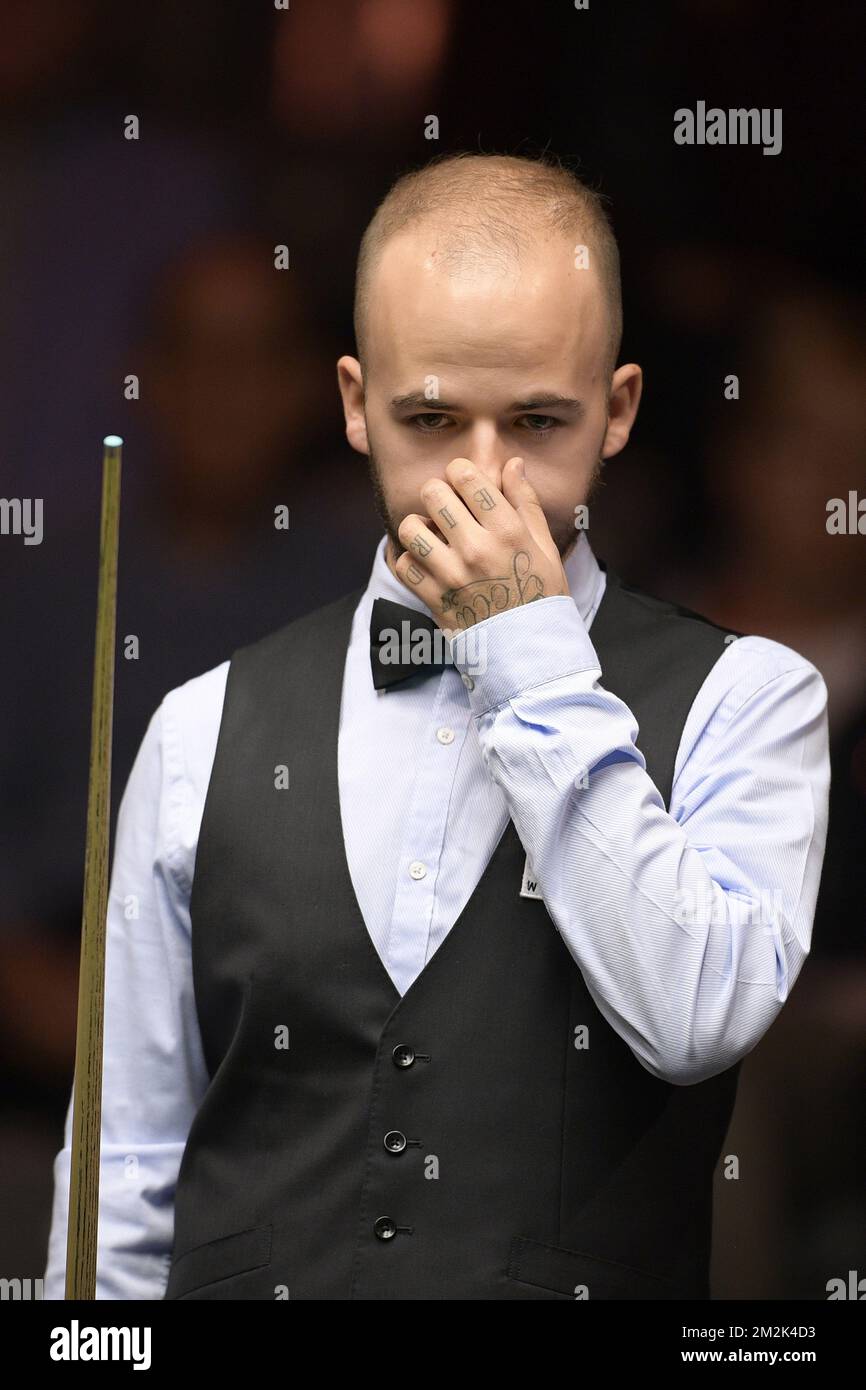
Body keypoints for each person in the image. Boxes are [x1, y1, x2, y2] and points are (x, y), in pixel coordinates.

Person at [43, 151, 830, 1300]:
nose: (477, 474)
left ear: (616, 413)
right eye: (429, 416)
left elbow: (694, 1018)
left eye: (535, 420)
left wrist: (528, 659)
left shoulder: (746, 698)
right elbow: (122, 1168)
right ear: (356, 405)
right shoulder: (202, 726)